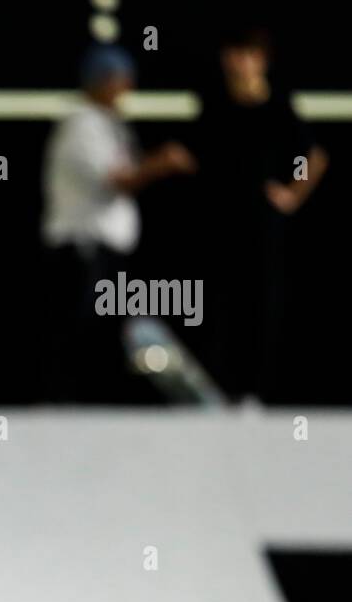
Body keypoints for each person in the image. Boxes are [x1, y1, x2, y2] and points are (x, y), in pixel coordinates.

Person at [40, 45, 196, 403]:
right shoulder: (83, 124)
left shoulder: (109, 125)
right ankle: (59, 413)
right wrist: (164, 162)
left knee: (102, 336)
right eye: (119, 80)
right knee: (79, 335)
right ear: (101, 82)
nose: (125, 89)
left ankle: (88, 412)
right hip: (81, 252)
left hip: (103, 254)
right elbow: (118, 180)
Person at [190, 26, 328, 402]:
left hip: (261, 223)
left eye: (246, 54)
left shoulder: (278, 105)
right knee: (215, 302)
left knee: (260, 303)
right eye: (233, 53)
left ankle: (254, 391)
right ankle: (213, 388)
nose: (238, 62)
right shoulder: (214, 102)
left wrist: (291, 194)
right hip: (219, 221)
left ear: (261, 60)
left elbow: (311, 157)